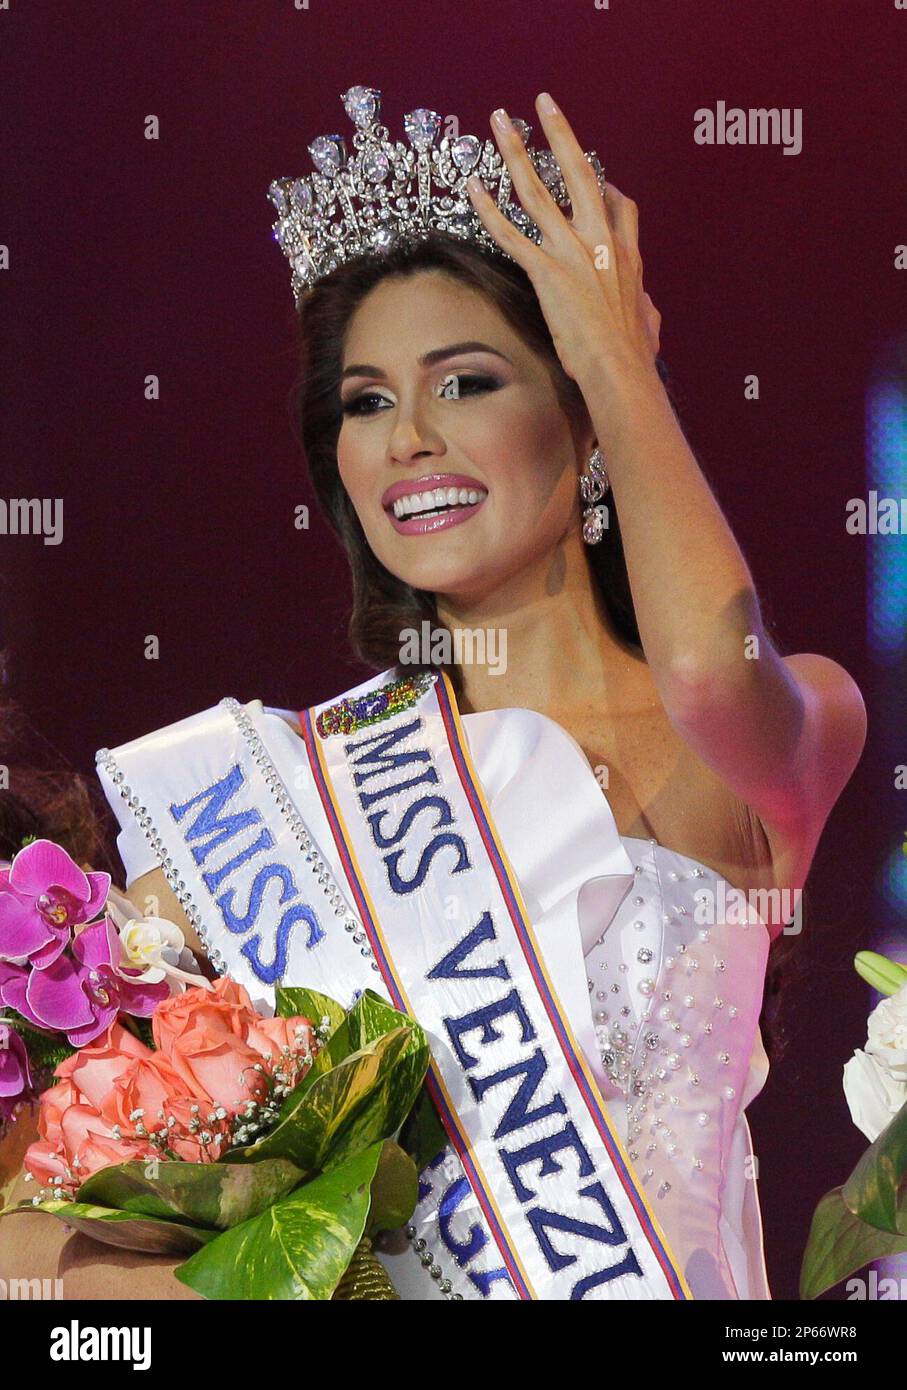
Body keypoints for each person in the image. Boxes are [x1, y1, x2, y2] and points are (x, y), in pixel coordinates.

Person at [10, 86, 868, 1301]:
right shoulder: (282, 801)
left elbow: (697, 664)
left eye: (465, 382)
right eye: (366, 402)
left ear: (580, 430)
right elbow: (41, 1250)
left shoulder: (767, 735)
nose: (407, 435)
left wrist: (619, 360)